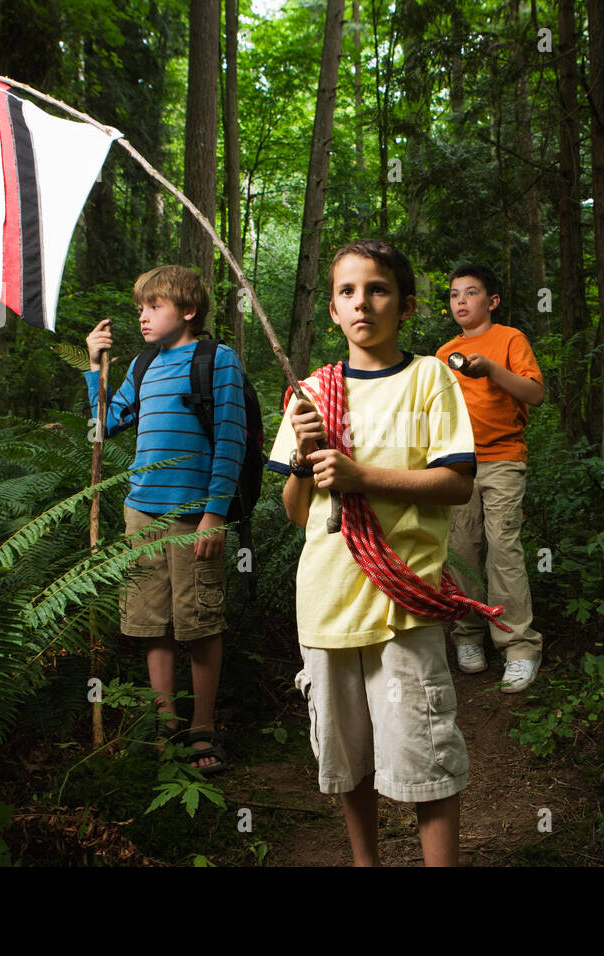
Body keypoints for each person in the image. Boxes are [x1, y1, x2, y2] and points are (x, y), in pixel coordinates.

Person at [267, 239, 477, 866]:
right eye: (348, 292)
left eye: (378, 289)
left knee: (424, 752)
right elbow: (298, 511)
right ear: (332, 309)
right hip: (327, 602)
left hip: (401, 602)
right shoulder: (310, 392)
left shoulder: (429, 379)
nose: (363, 303)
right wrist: (304, 460)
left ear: (405, 305)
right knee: (347, 756)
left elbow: (457, 483)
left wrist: (363, 477)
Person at [84, 265, 247, 774]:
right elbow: (103, 427)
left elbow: (231, 442)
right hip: (141, 513)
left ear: (189, 311)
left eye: (154, 307)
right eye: (140, 308)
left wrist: (214, 517)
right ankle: (164, 723)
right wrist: (96, 369)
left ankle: (202, 727)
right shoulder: (142, 364)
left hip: (195, 515)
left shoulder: (216, 360)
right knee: (151, 622)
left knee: (198, 624)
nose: (143, 317)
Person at [435, 264, 545, 693]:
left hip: (503, 458)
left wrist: (490, 371)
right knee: (460, 549)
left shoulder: (510, 339)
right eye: (454, 294)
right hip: (458, 463)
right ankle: (467, 636)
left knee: (503, 548)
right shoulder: (444, 354)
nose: (461, 301)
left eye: (471, 293)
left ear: (492, 301)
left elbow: (535, 394)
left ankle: (519, 648)